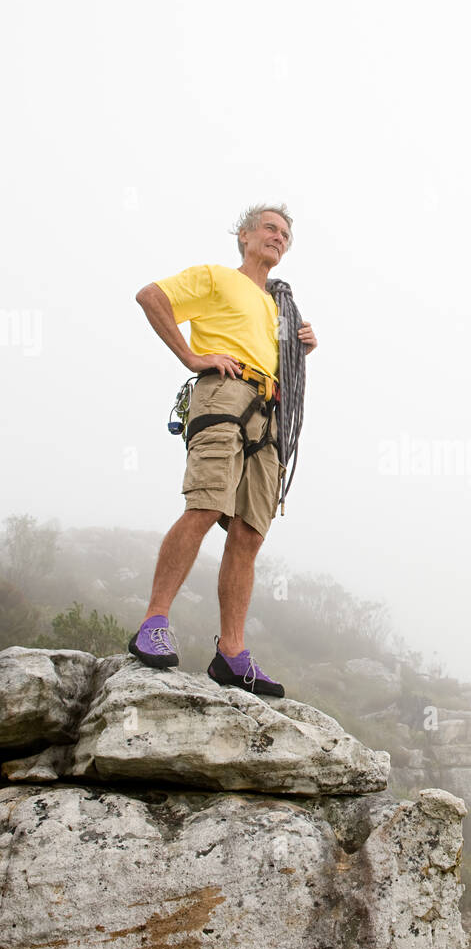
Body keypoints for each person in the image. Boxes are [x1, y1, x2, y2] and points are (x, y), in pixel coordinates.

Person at [128, 203, 317, 697]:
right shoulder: (216, 277)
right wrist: (192, 356)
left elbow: (278, 351)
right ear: (245, 236)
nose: (279, 238)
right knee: (206, 503)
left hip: (270, 411)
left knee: (250, 533)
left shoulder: (279, 307)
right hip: (224, 393)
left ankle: (231, 653)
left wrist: (301, 346)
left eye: (285, 235)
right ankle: (154, 622)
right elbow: (151, 297)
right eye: (270, 229)